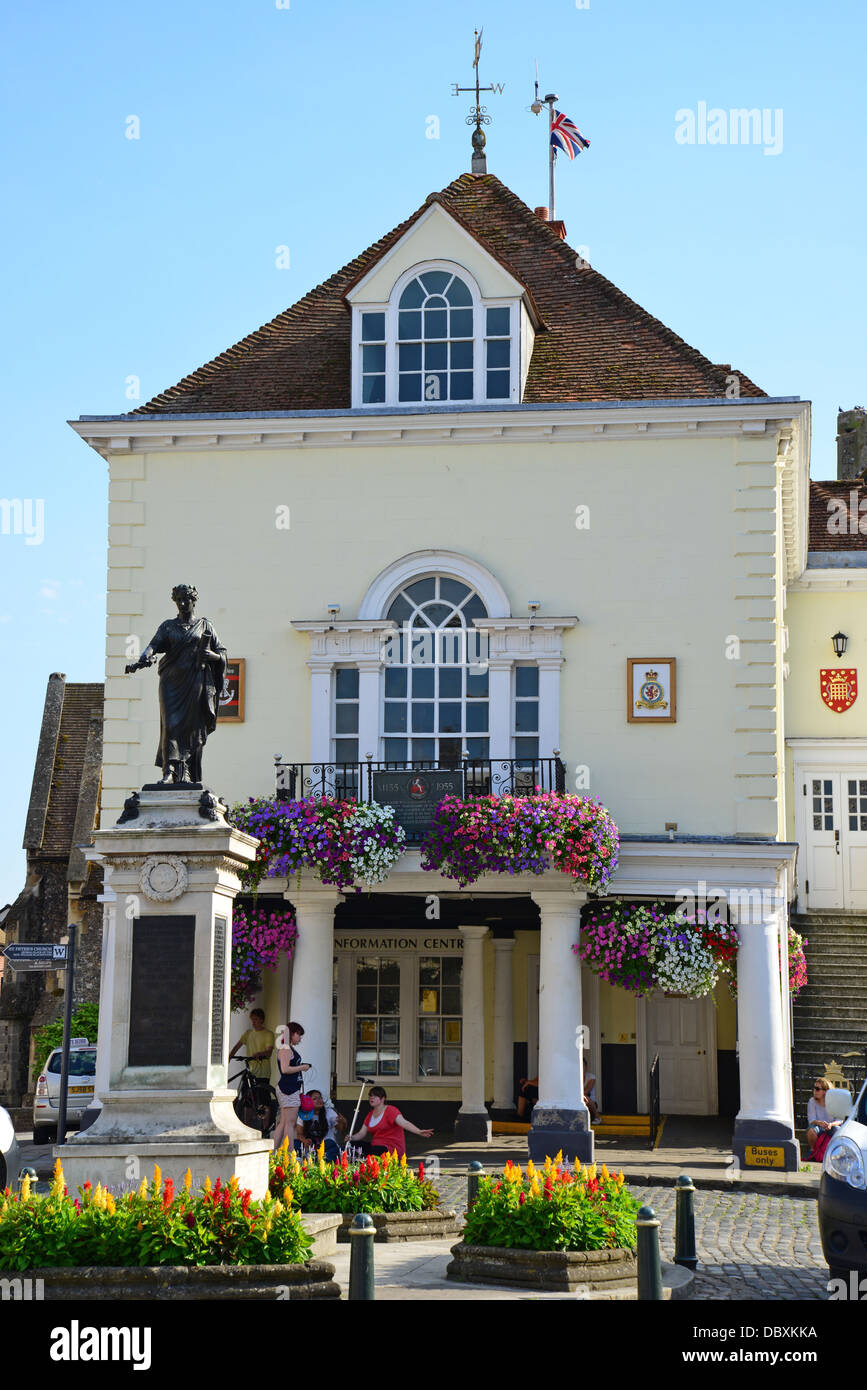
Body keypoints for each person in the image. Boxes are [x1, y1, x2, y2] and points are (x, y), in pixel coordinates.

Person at [124, 582, 227, 784]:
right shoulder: (168, 626)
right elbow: (153, 646)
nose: (182, 603)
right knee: (170, 725)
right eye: (178, 600)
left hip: (195, 681)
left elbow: (222, 653)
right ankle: (168, 771)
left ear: (193, 601)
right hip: (170, 682)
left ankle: (186, 772)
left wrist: (211, 656)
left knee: (192, 727)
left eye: (186, 599)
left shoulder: (205, 626)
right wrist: (143, 659)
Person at [347, 1086, 433, 1157]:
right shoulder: (370, 1115)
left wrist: (418, 1131)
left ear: (383, 1099)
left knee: (372, 1152)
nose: (371, 1098)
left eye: (375, 1096)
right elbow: (361, 1133)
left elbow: (404, 1123)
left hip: (391, 1148)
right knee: (352, 1146)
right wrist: (351, 1138)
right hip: (375, 1147)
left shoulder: (391, 1110)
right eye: (370, 1095)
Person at [272, 1022, 310, 1150]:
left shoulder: (288, 1048)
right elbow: (285, 1069)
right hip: (288, 1089)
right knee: (290, 1124)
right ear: (292, 1034)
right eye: (298, 1034)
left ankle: (274, 1153)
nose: (300, 1038)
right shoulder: (285, 1048)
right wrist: (302, 1067)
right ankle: (289, 1154)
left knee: (284, 1123)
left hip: (290, 1088)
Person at [296, 1090, 346, 1161]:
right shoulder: (303, 1114)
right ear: (308, 1102)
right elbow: (299, 1134)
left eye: (320, 1098)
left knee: (330, 1142)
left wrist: (343, 1122)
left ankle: (327, 1163)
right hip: (310, 1147)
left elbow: (341, 1128)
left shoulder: (329, 1112)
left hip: (326, 1146)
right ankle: (299, 1162)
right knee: (296, 1143)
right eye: (315, 1099)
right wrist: (305, 1140)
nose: (319, 1100)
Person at [806, 1077, 842, 1161]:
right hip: (819, 1126)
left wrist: (831, 1124)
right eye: (814, 1088)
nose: (815, 1090)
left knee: (838, 1130)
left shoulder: (835, 1102)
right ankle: (813, 1152)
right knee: (811, 1130)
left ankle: (836, 1154)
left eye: (817, 1089)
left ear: (826, 1091)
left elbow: (840, 1120)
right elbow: (811, 1119)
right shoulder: (812, 1101)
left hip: (831, 1126)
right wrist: (820, 1123)